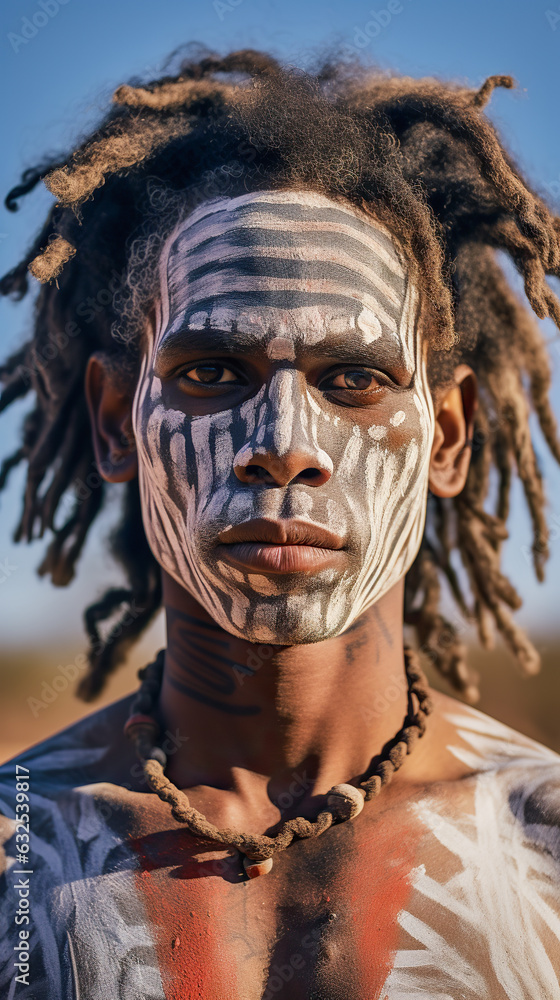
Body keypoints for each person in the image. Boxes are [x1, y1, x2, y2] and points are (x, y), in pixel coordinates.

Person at [0, 48, 559, 1000]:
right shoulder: (18, 857)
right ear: (114, 421)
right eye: (213, 373)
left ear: (447, 438)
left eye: (356, 380)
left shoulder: (542, 846)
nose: (285, 447)